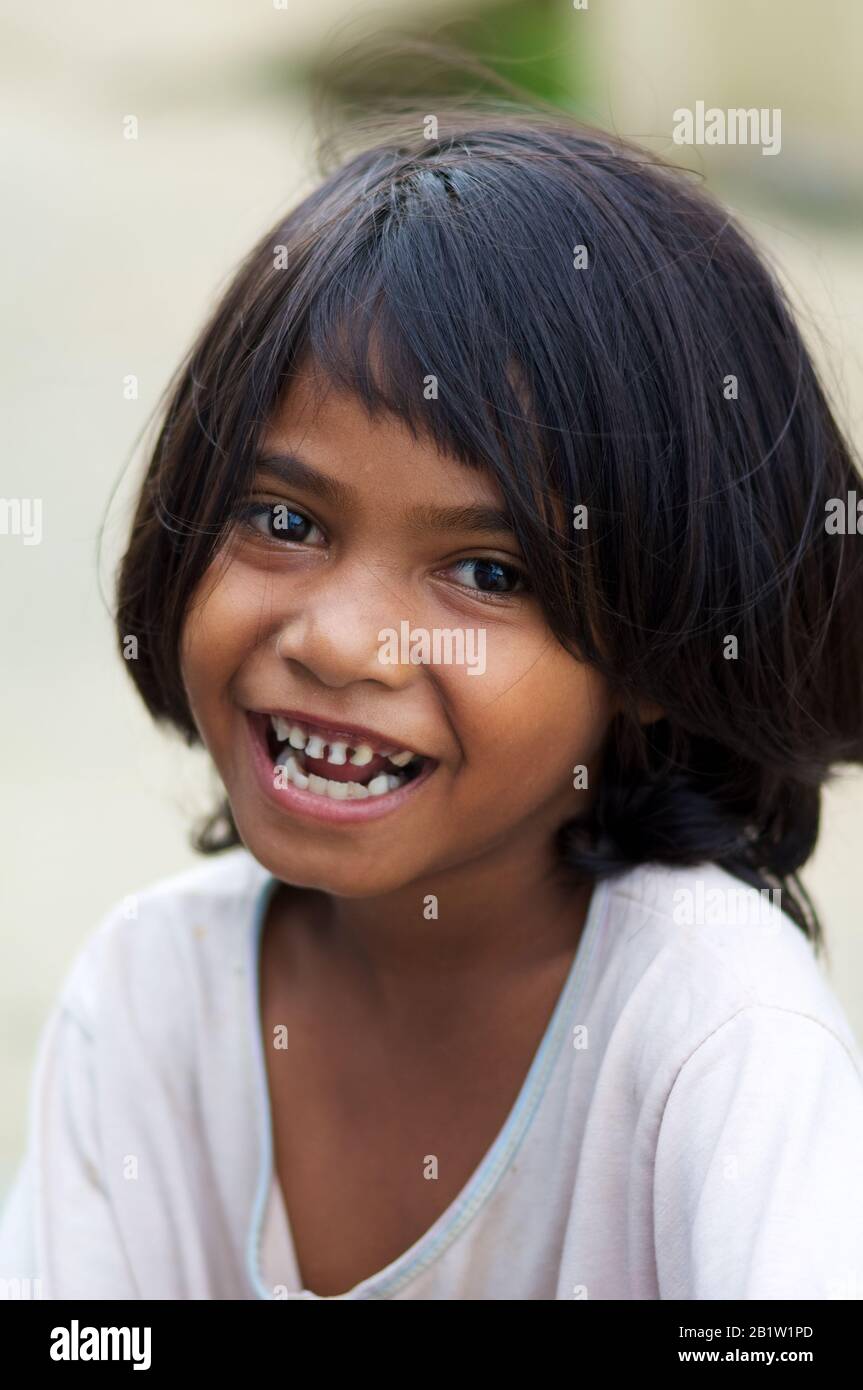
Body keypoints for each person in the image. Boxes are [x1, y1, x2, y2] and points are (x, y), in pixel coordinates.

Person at [3, 105, 863, 1301]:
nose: (343, 641)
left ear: (659, 660)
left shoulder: (715, 1042)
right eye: (286, 521)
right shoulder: (148, 999)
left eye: (487, 573)